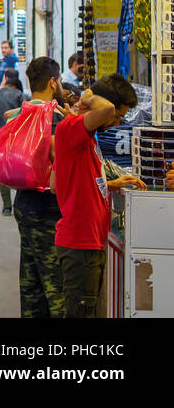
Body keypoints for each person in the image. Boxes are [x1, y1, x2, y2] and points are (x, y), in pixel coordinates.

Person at [54, 74, 145, 318]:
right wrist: (88, 96)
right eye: (118, 116)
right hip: (80, 244)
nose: (116, 123)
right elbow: (105, 109)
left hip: (87, 242)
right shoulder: (72, 127)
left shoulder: (83, 136)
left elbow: (58, 184)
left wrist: (112, 184)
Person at [1, 57, 68, 318]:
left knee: (30, 283)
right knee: (55, 288)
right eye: (60, 81)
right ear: (53, 82)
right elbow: (56, 157)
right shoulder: (53, 118)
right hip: (47, 210)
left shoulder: (20, 115)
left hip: (24, 206)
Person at [0, 69, 26, 216]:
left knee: (3, 173)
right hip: (18, 140)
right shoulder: (20, 95)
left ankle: (7, 206)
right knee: (20, 172)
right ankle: (18, 203)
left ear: (6, 79)